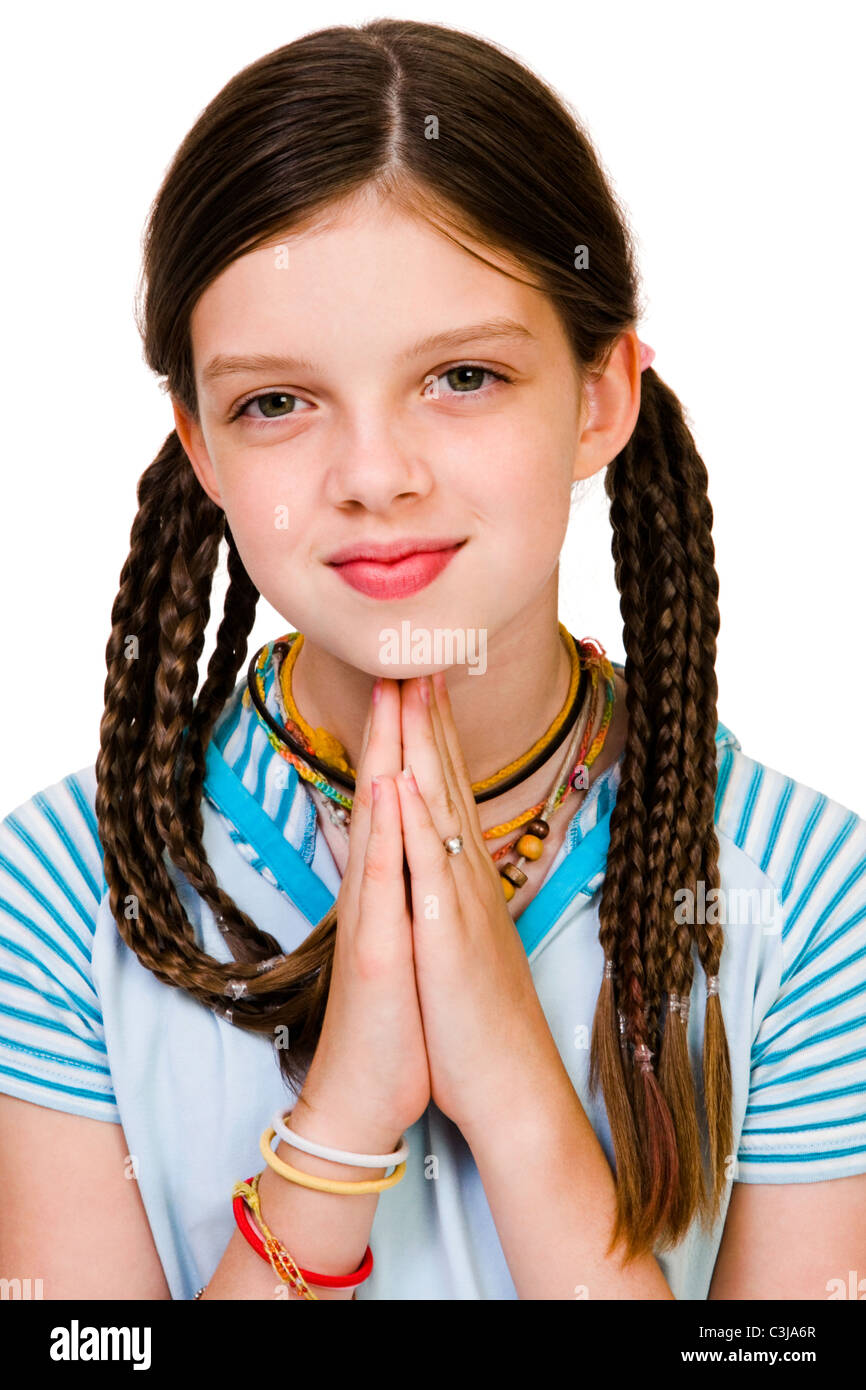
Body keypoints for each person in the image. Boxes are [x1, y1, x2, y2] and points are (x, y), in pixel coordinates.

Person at [1, 18, 864, 1302]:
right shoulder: (67, 890)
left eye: (460, 375)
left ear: (598, 398)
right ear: (200, 448)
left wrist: (516, 1095)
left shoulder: (800, 895)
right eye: (275, 403)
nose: (373, 477)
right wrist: (343, 1120)